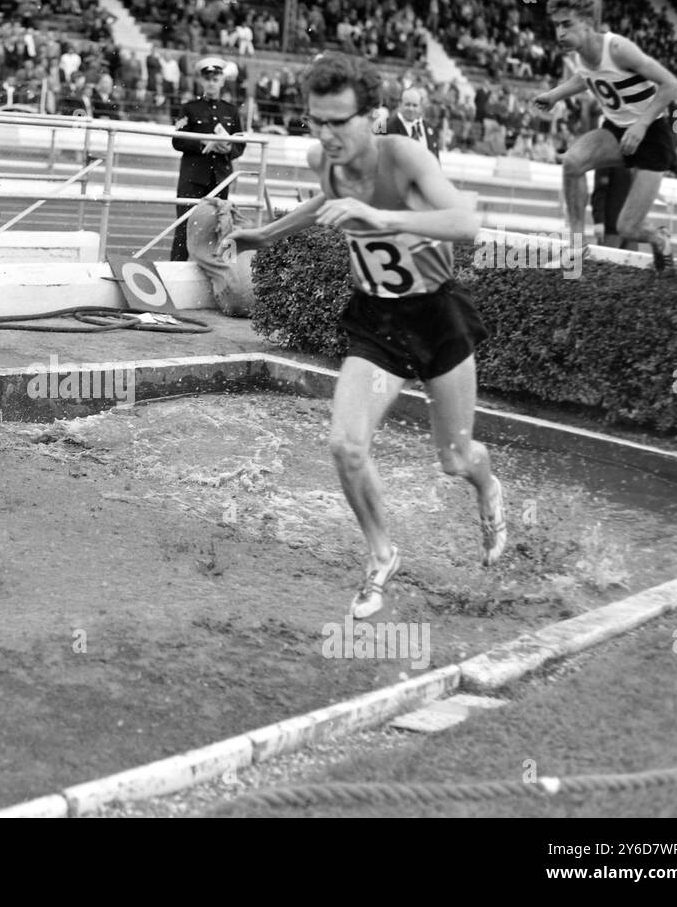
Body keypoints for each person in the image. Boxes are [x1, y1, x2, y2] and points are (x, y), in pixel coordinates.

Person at [219, 53, 505, 619]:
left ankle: (488, 486)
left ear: (370, 116)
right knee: (346, 446)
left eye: (339, 122)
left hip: (436, 315)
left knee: (454, 458)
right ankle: (381, 554)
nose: (326, 135)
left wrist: (384, 219)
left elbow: (465, 222)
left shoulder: (402, 156)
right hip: (377, 322)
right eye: (315, 121)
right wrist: (265, 235)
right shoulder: (321, 159)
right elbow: (327, 202)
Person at [532, 0, 677, 272]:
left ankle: (659, 238)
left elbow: (671, 84)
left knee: (628, 227)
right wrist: (555, 95)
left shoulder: (618, 49)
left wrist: (641, 123)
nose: (559, 32)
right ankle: (575, 247)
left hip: (652, 135)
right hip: (617, 129)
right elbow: (584, 77)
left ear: (587, 22)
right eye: (556, 26)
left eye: (566, 24)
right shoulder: (580, 53)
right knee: (572, 162)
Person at [171, 56, 244, 261]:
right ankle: (176, 268)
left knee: (221, 227)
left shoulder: (230, 111)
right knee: (184, 227)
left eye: (215, 78)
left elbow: (240, 143)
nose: (211, 83)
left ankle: (221, 272)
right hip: (194, 177)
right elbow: (178, 140)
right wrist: (202, 143)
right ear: (202, 81)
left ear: (222, 81)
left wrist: (228, 148)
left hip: (220, 178)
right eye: (208, 79)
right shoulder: (189, 108)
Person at [385, 87, 440, 158]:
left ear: (420, 106)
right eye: (407, 104)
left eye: (415, 105)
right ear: (400, 104)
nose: (411, 109)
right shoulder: (387, 127)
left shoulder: (429, 129)